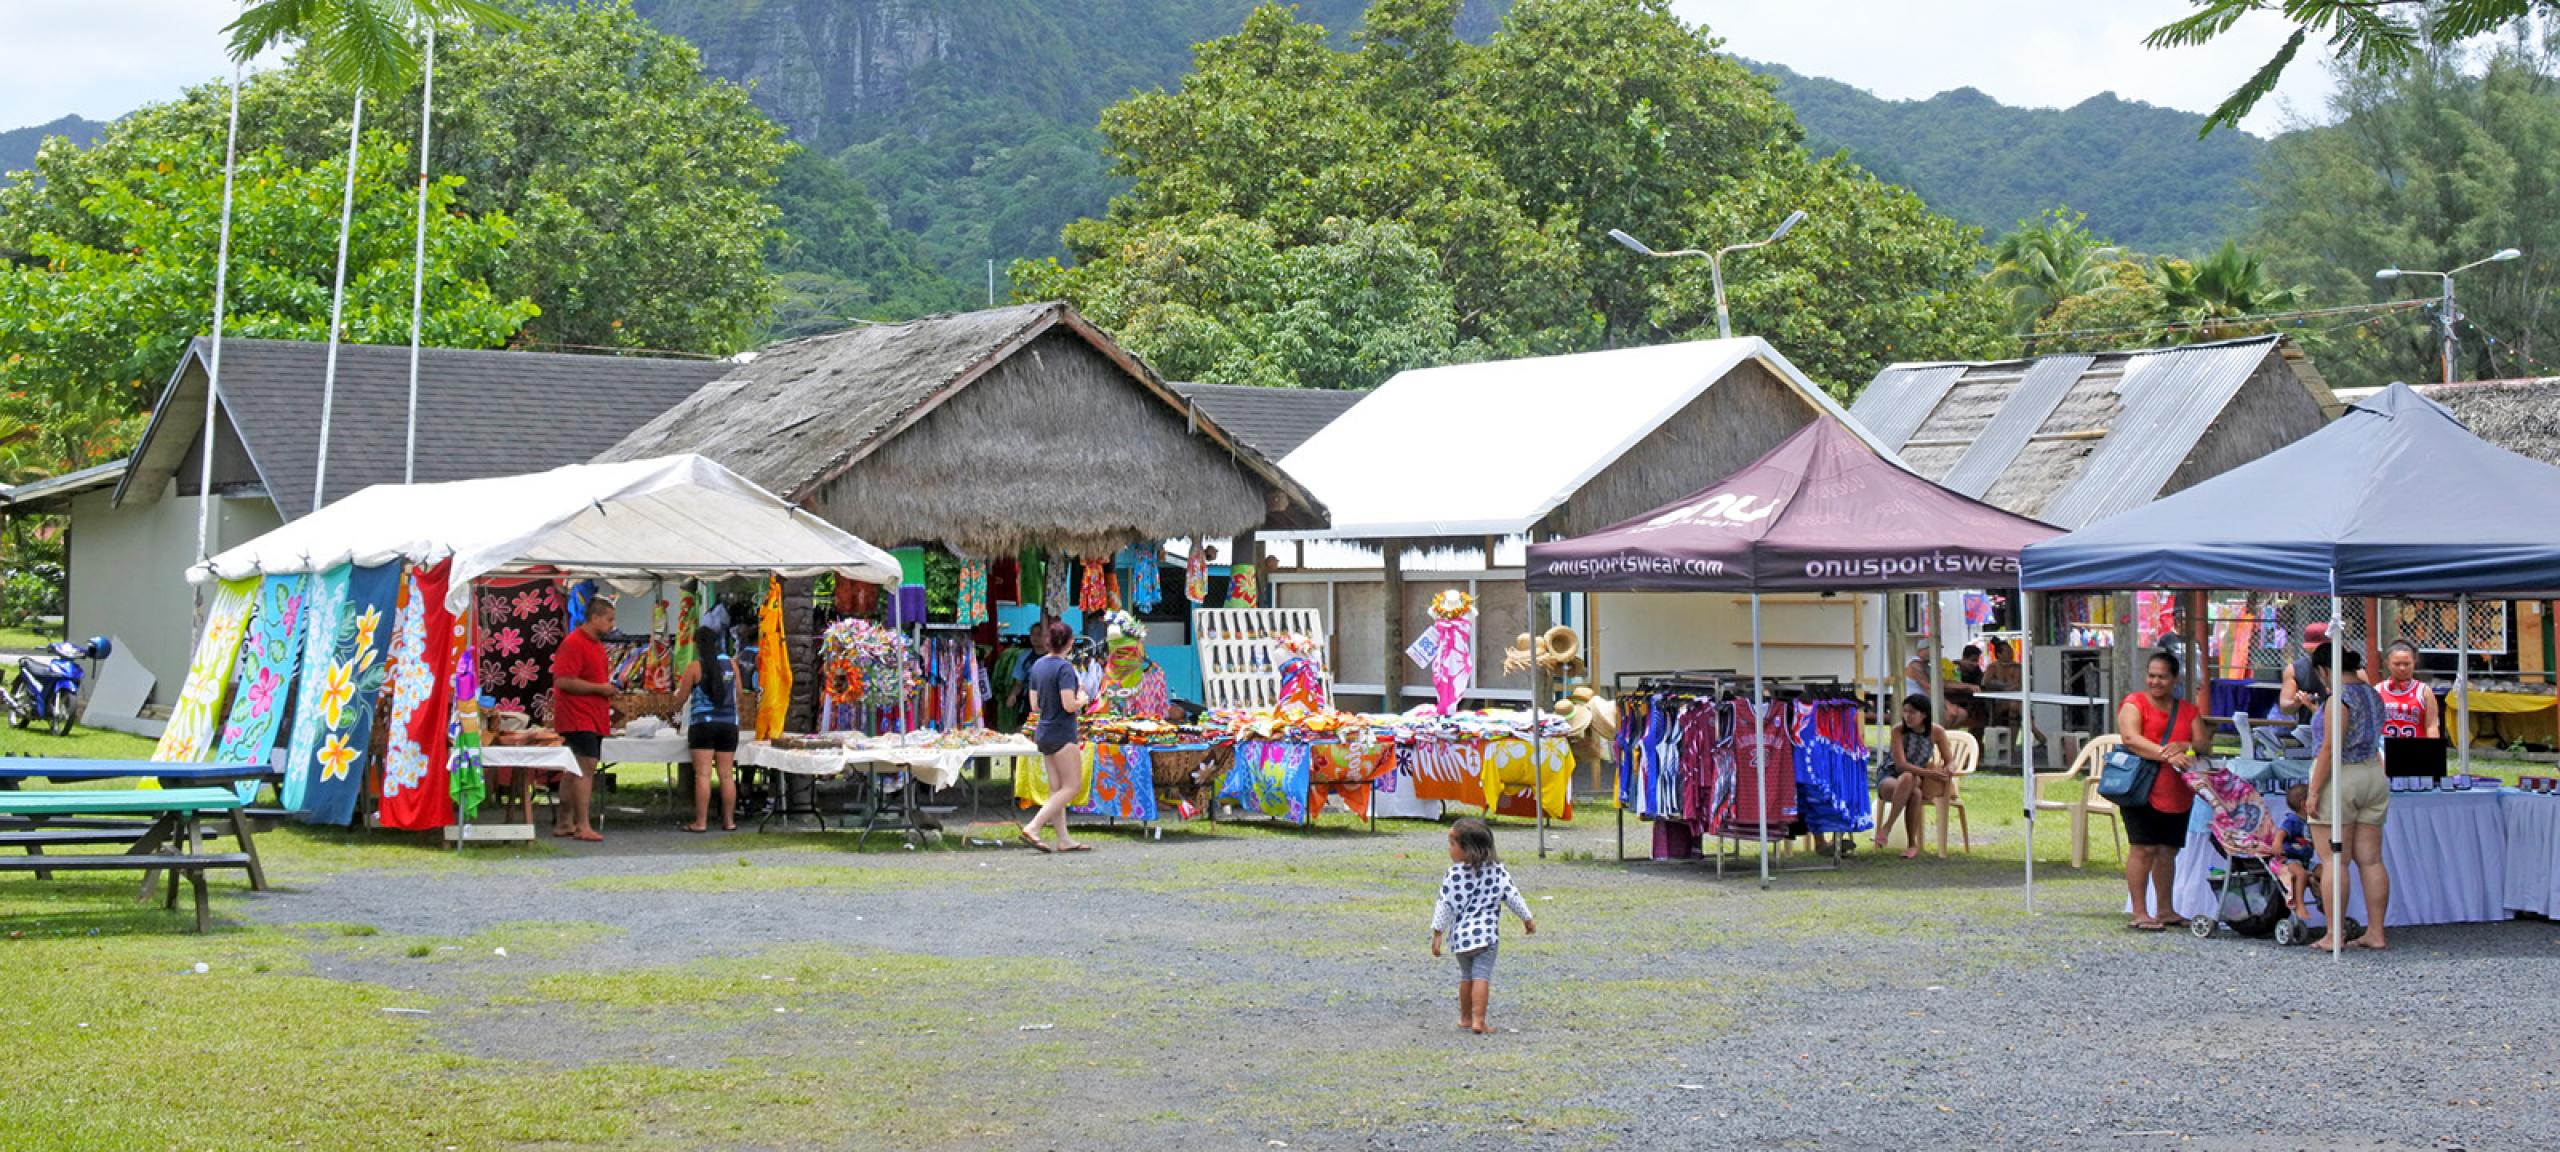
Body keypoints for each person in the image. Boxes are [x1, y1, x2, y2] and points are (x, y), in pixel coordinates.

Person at [2304, 643, 2391, 951]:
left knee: (2333, 859)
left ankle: (2333, 932)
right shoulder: (2372, 693)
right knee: (2371, 859)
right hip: (2372, 772)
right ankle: (2376, 932)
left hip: (2342, 777)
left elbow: (2330, 748)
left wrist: (2313, 790)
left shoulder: (2337, 698)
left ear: (2323, 670)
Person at [2116, 651, 2202, 931]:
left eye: (2162, 676)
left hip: (2176, 791)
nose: (2155, 681)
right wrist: (2168, 754)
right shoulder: (2134, 703)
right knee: (2143, 848)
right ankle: (2140, 912)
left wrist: (2184, 745)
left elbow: (2202, 744)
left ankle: (2165, 909)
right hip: (2141, 787)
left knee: (2168, 851)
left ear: (2174, 679)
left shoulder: (2188, 710)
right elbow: (2131, 738)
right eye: (2151, 675)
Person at [1429, 817, 1535, 1035]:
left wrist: (1437, 932)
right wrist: (1527, 918)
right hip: (1486, 936)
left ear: (1467, 849)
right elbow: (1513, 896)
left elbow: (1444, 904)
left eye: (1452, 844)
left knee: (1466, 976)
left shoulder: (1453, 874)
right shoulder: (1497, 871)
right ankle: (1480, 1020)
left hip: (1460, 937)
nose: (1449, 849)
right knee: (1482, 976)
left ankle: (1465, 1018)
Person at [1019, 620, 1090, 854]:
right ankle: (1034, 826)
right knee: (1071, 787)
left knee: (1056, 787)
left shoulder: (1038, 666)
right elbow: (1069, 705)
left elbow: (1034, 705)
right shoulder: (1065, 669)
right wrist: (1082, 699)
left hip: (1044, 731)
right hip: (1062, 731)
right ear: (1070, 643)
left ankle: (1064, 839)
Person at [550, 595, 617, 843]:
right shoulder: (573, 643)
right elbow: (563, 681)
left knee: (573, 768)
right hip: (578, 715)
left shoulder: (596, 645)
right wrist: (600, 689)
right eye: (609, 620)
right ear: (595, 617)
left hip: (592, 714)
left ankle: (565, 822)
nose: (612, 625)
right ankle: (583, 825)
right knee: (585, 769)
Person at [672, 623, 739, 833]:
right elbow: (740, 693)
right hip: (729, 724)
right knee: (726, 775)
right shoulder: (731, 665)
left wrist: (676, 698)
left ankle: (700, 822)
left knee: (702, 774)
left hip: (703, 724)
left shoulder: (695, 667)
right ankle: (729, 821)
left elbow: (680, 699)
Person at [1873, 694, 1953, 859]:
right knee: (1913, 790)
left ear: (1924, 714)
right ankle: (1907, 841)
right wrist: (1930, 773)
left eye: (1912, 712)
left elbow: (1950, 760)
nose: (1907, 716)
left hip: (1916, 777)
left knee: (1910, 779)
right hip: (1890, 774)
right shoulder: (1898, 730)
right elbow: (1901, 765)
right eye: (1905, 712)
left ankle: (1890, 830)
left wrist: (1949, 770)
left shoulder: (1936, 731)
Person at [2377, 641, 2441, 741]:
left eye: (2407, 664)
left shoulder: (2424, 691)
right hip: (2384, 751)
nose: (2402, 668)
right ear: (2387, 664)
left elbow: (2431, 726)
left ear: (2414, 662)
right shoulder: (2378, 690)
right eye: (2397, 664)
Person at [2280, 621, 2330, 723]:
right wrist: (2296, 702)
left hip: (2339, 731)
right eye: (2312, 649)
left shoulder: (2344, 668)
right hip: (2307, 730)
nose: (2317, 652)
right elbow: (2285, 708)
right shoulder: (2294, 669)